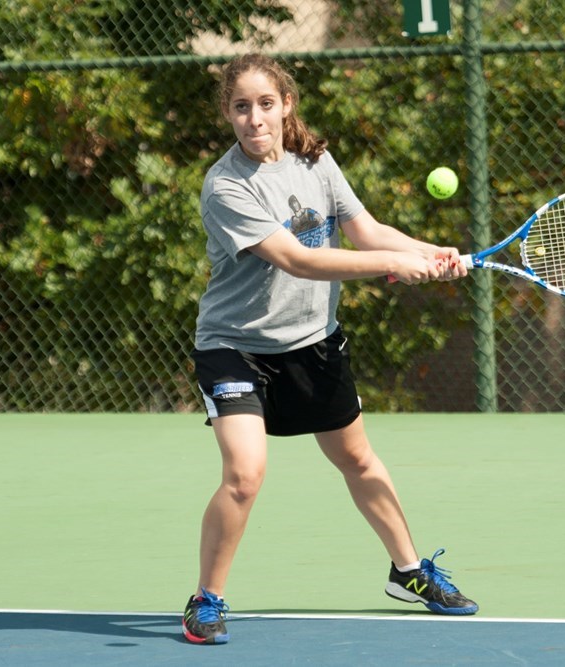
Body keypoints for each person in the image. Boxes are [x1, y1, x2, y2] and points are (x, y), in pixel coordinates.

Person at [182, 53, 477, 645]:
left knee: (359, 461)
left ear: (286, 104)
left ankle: (409, 571)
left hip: (313, 345)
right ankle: (206, 600)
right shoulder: (226, 185)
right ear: (228, 114)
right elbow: (300, 259)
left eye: (266, 104)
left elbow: (366, 232)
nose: (254, 118)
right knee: (245, 474)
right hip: (235, 348)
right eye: (241, 107)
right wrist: (395, 265)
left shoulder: (315, 161)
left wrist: (430, 252)